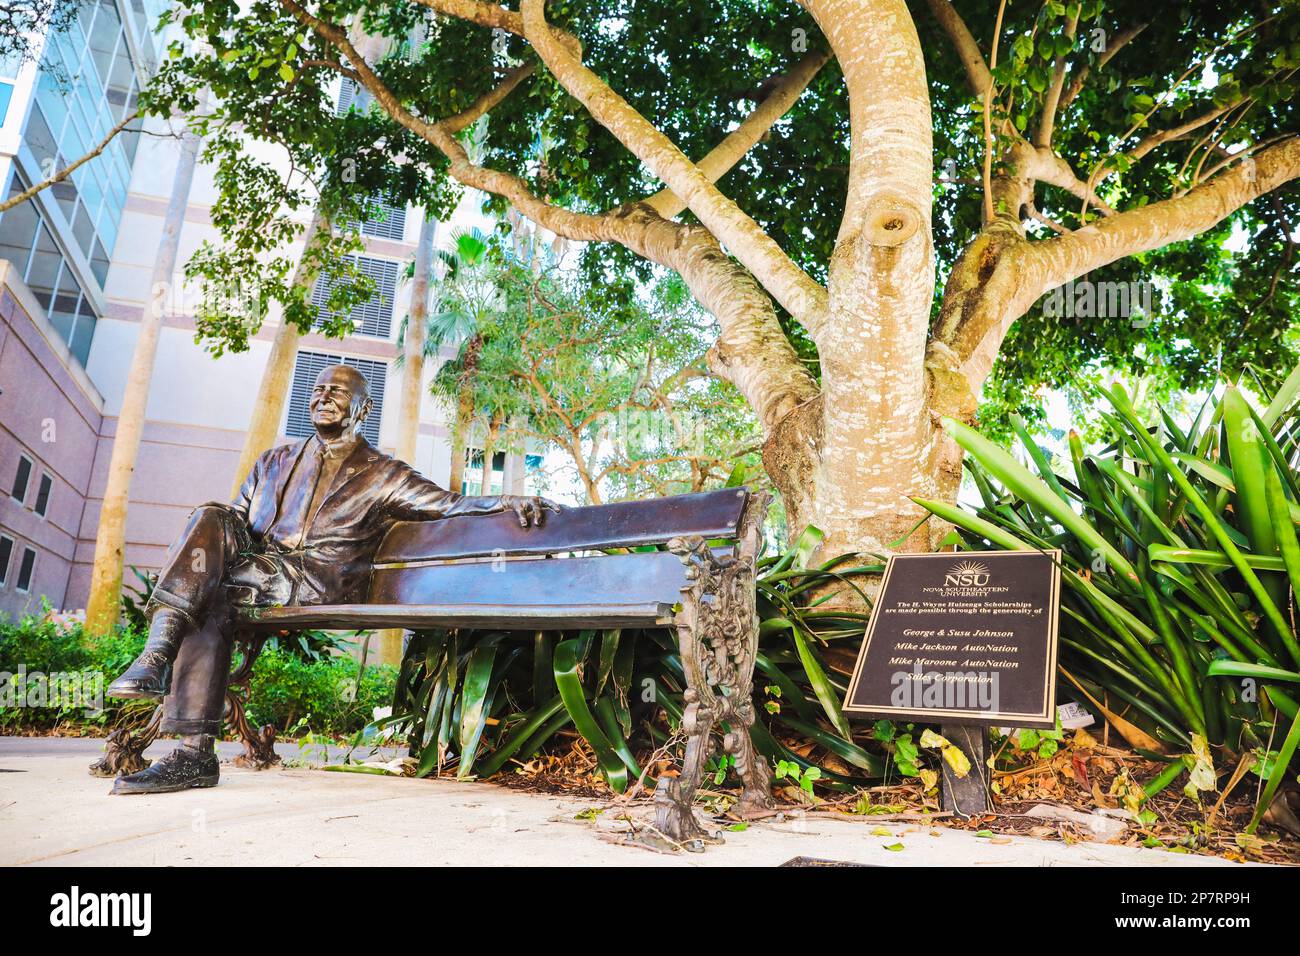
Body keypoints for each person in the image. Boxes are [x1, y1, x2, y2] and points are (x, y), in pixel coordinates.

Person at [106, 364, 558, 794]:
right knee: (211, 532)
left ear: (361, 408)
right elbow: (232, 526)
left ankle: (171, 696)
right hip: (256, 572)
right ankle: (185, 735)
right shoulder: (273, 461)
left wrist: (505, 500)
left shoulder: (384, 473)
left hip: (315, 580)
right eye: (319, 390)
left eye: (338, 391)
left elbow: (447, 504)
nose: (324, 397)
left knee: (209, 587)